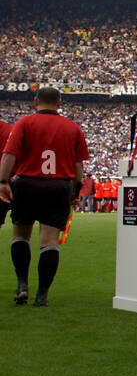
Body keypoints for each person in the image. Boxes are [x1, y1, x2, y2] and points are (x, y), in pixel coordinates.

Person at [0, 87, 89, 306]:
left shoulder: (24, 123)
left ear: (34, 101)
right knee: (49, 241)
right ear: (59, 102)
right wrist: (75, 192)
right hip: (58, 187)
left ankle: (22, 284)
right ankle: (42, 294)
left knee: (20, 235)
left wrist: (2, 182)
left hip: (26, 185)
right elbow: (79, 170)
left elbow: (9, 155)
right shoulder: (72, 128)